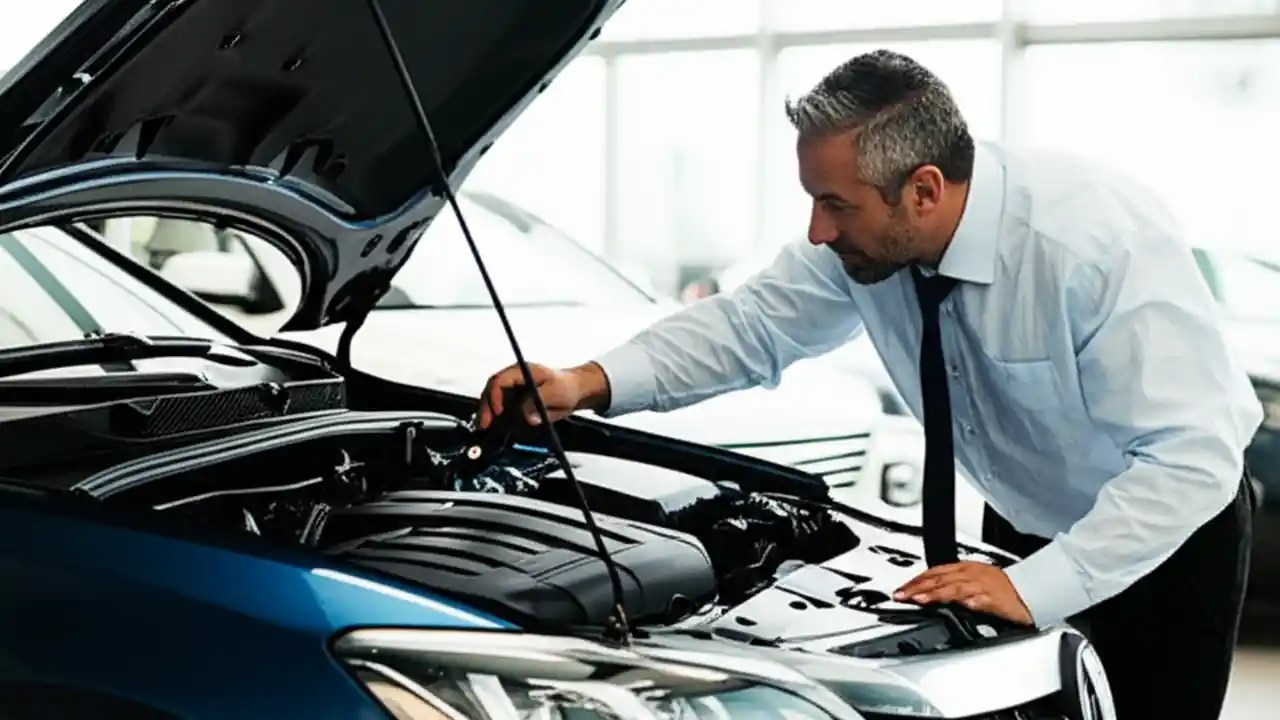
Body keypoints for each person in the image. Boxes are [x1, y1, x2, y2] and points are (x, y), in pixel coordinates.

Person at [474, 49, 1258, 718]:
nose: (818, 231)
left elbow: (1190, 461)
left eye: (834, 205)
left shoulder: (1090, 247)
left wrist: (1039, 586)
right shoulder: (870, 247)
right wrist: (588, 381)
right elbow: (751, 326)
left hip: (1165, 537)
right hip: (1025, 519)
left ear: (922, 189)